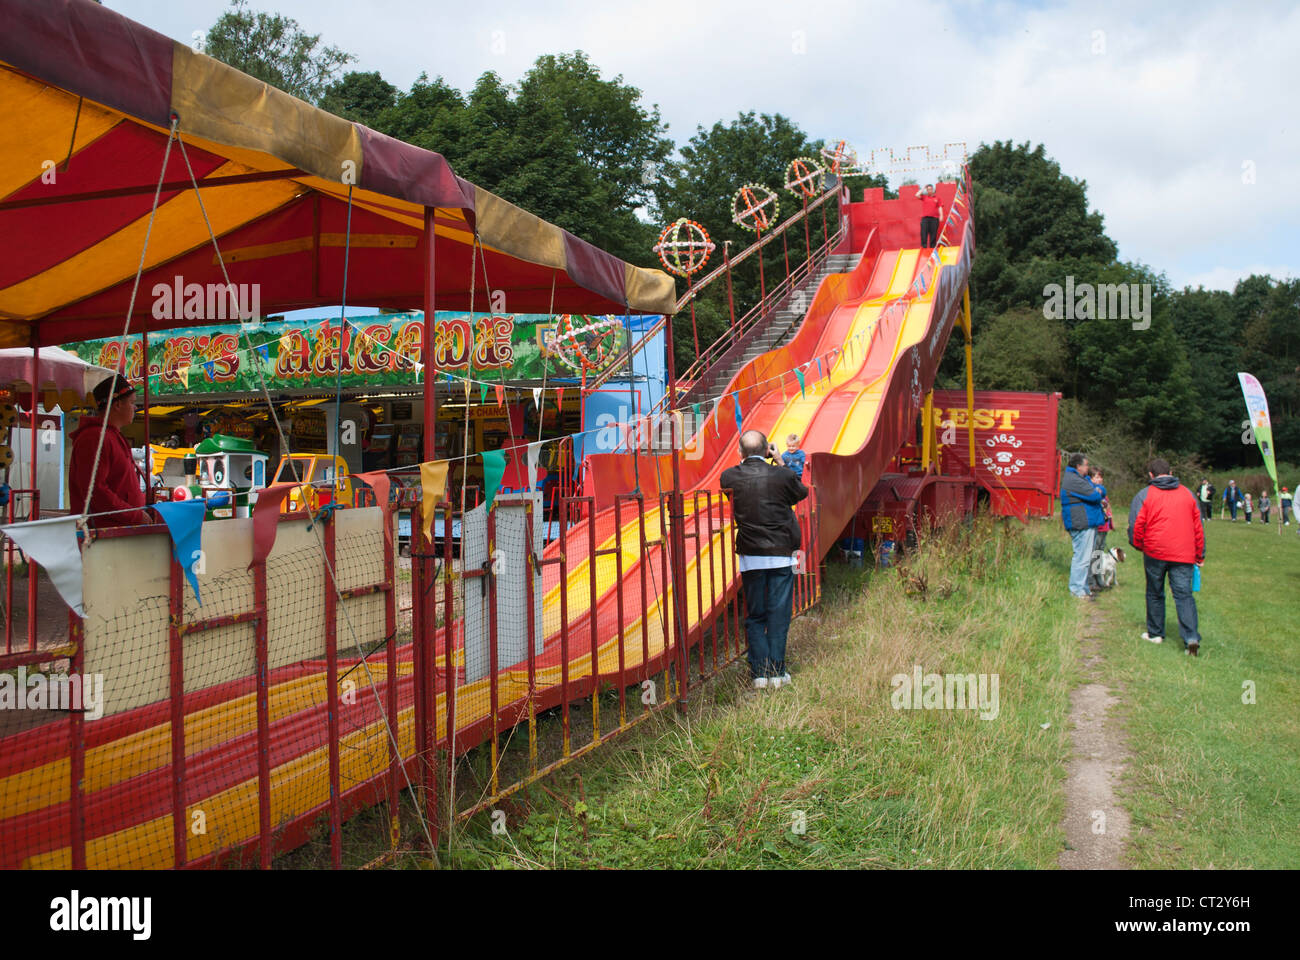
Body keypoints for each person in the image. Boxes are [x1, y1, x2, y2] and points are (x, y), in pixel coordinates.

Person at [720, 429, 809, 690]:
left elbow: (733, 483)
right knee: (778, 615)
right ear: (767, 451)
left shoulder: (730, 477)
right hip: (782, 554)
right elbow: (800, 492)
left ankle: (760, 673)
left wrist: (749, 456)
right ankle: (777, 672)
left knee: (755, 614)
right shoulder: (782, 475)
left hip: (752, 556)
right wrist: (779, 460)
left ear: (740, 453)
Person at [1128, 458, 1205, 656]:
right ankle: (1191, 638)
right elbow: (1198, 526)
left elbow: (1137, 524)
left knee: (1155, 591)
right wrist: (1199, 554)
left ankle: (1155, 633)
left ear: (1151, 475)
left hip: (1155, 551)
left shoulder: (1144, 494)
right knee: (1183, 594)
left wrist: (1138, 544)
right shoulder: (1188, 494)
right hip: (1183, 552)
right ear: (1171, 472)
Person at [68, 375, 150, 529]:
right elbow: (95, 491)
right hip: (102, 533)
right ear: (118, 405)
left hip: (119, 530)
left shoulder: (111, 436)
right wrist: (134, 515)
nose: (135, 408)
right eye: (132, 403)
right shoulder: (94, 438)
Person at [1060, 453, 1105, 600]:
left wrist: (1097, 489)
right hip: (1081, 522)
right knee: (1082, 558)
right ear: (1078, 466)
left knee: (1085, 558)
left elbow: (1100, 490)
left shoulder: (1080, 478)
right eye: (1086, 465)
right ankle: (1077, 591)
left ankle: (1083, 588)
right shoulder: (1074, 480)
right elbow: (1095, 495)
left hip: (1085, 521)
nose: (1088, 467)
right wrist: (1097, 491)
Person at [918, 184, 943, 248]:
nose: (929, 190)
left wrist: (941, 215)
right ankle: (924, 247)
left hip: (934, 219)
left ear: (933, 190)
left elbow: (940, 207)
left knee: (933, 234)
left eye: (930, 189)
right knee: (923, 233)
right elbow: (917, 195)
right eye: (928, 189)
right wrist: (923, 187)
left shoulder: (937, 198)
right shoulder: (924, 197)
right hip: (925, 219)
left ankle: (932, 248)